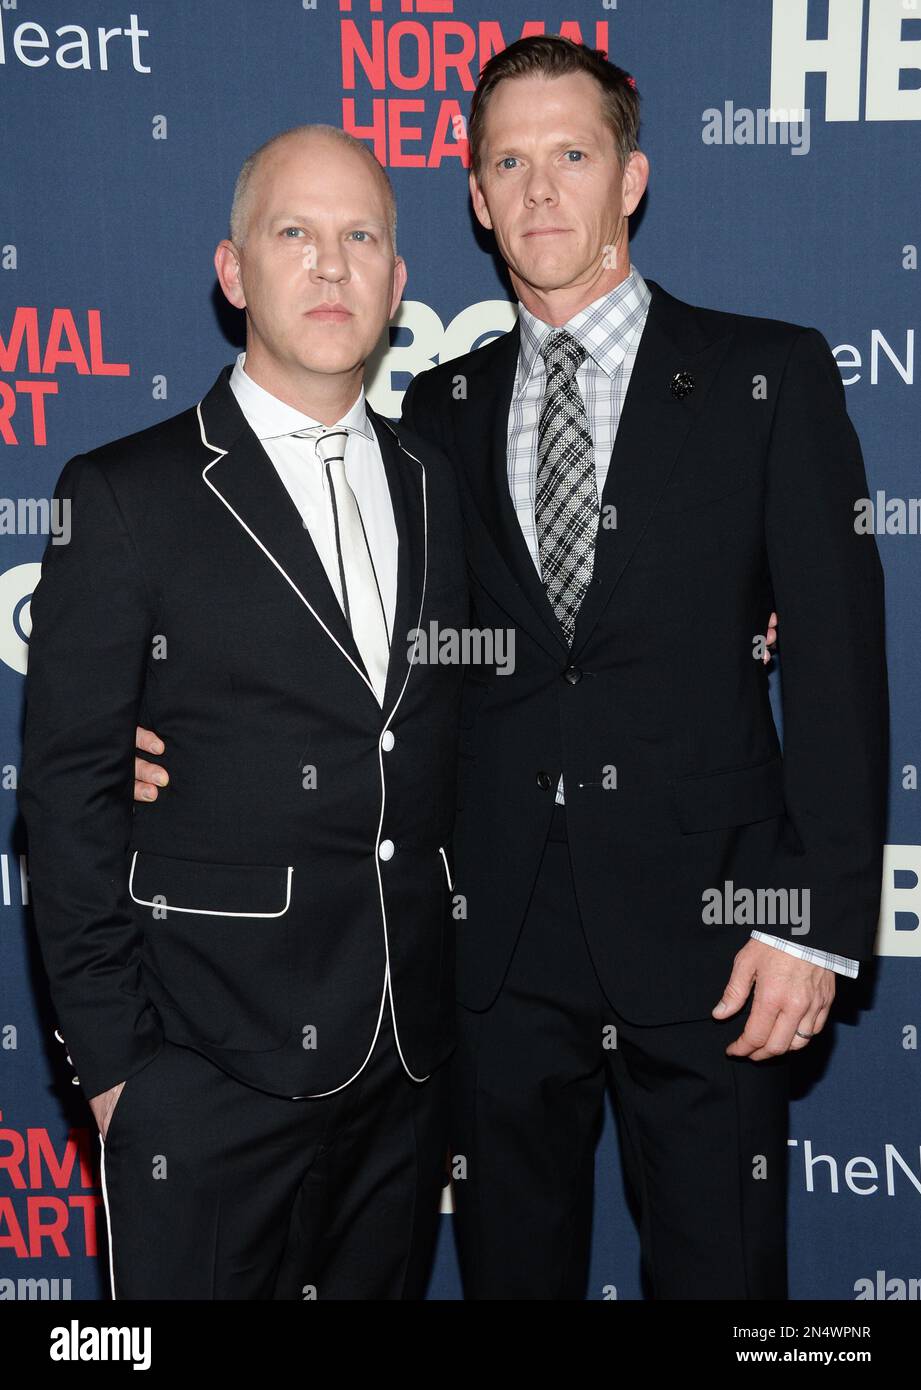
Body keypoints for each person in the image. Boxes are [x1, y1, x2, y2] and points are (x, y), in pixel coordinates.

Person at [132, 36, 884, 1300]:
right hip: (487, 953)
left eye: (573, 155)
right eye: (509, 162)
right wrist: (169, 740)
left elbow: (840, 672)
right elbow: (347, 636)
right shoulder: (434, 413)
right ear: (476, 197)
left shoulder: (772, 378)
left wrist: (809, 917)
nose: (540, 190)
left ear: (631, 178)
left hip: (715, 939)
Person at [20, 123, 468, 1300]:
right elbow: (66, 806)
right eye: (295, 234)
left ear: (398, 284)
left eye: (361, 236)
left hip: (404, 1074)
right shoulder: (122, 496)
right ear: (235, 273)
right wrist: (121, 1075)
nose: (331, 265)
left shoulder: (439, 486)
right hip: (201, 1081)